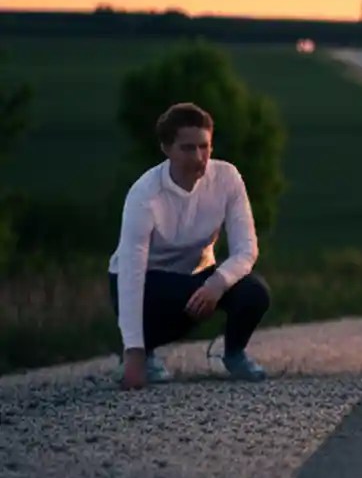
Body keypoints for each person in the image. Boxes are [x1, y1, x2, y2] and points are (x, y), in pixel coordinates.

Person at [108, 102, 271, 389]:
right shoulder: (145, 194)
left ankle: (233, 352)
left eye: (204, 146)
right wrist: (133, 353)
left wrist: (217, 284)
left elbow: (247, 249)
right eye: (187, 148)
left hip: (197, 278)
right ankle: (145, 353)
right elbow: (131, 273)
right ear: (166, 148)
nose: (198, 157)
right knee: (174, 295)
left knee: (254, 291)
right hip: (146, 281)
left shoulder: (227, 178)